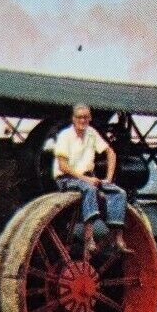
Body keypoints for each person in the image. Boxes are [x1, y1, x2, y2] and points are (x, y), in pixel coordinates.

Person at [52, 104, 130, 254]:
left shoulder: (91, 133)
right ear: (73, 119)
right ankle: (88, 238)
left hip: (88, 178)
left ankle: (117, 238)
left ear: (90, 118)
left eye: (86, 117)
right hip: (66, 179)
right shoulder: (65, 136)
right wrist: (86, 179)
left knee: (119, 193)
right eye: (79, 117)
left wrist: (108, 178)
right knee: (90, 189)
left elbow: (110, 153)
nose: (83, 120)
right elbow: (63, 166)